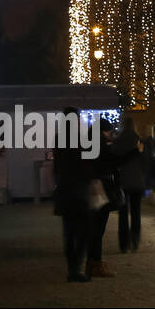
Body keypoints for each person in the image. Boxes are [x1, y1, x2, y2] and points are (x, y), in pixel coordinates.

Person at [52, 108, 93, 282]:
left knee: (69, 232)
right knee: (84, 231)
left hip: (64, 189)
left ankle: (72, 268)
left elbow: (58, 166)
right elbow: (86, 164)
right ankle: (77, 268)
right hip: (79, 189)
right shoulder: (80, 138)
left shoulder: (59, 138)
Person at [87, 122, 120, 277]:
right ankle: (97, 263)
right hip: (102, 186)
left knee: (94, 226)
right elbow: (115, 162)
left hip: (91, 185)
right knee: (98, 227)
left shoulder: (87, 142)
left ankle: (91, 262)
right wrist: (135, 152)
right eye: (108, 131)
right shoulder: (101, 144)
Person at [113, 116, 147, 252]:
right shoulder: (139, 140)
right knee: (136, 212)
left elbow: (115, 160)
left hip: (123, 180)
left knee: (122, 213)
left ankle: (123, 243)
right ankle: (135, 239)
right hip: (137, 180)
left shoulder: (118, 141)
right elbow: (145, 161)